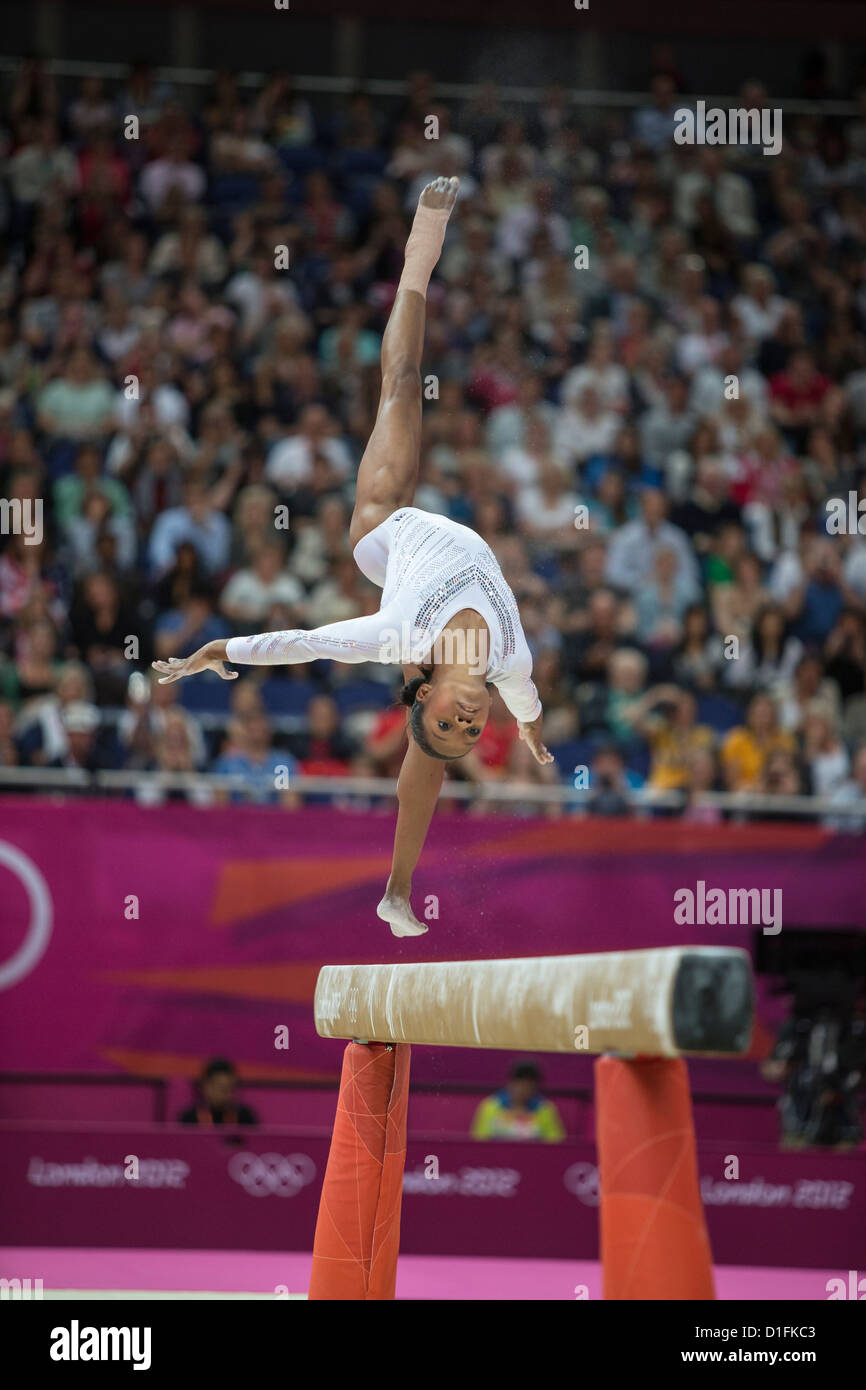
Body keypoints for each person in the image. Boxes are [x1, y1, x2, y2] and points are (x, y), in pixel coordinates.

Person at [153, 179, 552, 937]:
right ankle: (397, 894)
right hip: (439, 572)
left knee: (401, 388)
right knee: (432, 764)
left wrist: (219, 648)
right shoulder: (511, 667)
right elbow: (528, 706)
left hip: (385, 532)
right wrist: (529, 732)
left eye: (449, 725)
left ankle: (417, 257)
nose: (469, 726)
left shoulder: (395, 636)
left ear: (425, 699)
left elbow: (299, 644)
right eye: (474, 733)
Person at [470, 1062, 565, 1141]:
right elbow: (479, 1141)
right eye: (518, 1083)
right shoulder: (490, 1106)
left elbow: (555, 1143)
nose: (522, 1089)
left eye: (528, 1084)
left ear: (535, 1087)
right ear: (509, 1082)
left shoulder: (545, 1109)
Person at [178, 1057, 258, 1126]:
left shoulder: (245, 1117)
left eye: (231, 1088)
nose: (228, 1093)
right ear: (205, 1085)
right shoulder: (189, 1119)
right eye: (222, 1088)